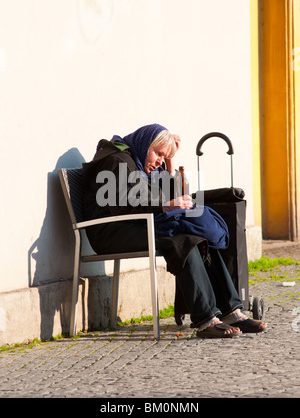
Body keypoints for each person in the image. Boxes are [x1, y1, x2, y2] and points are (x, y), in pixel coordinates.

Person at [82, 123, 267, 338]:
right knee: (183, 241)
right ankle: (206, 319)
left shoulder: (135, 162)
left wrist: (169, 163)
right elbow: (125, 201)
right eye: (158, 154)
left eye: (163, 157)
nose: (159, 160)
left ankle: (230, 311)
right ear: (145, 144)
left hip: (131, 225)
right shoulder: (116, 160)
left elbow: (161, 193)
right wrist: (165, 205)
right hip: (109, 231)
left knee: (199, 236)